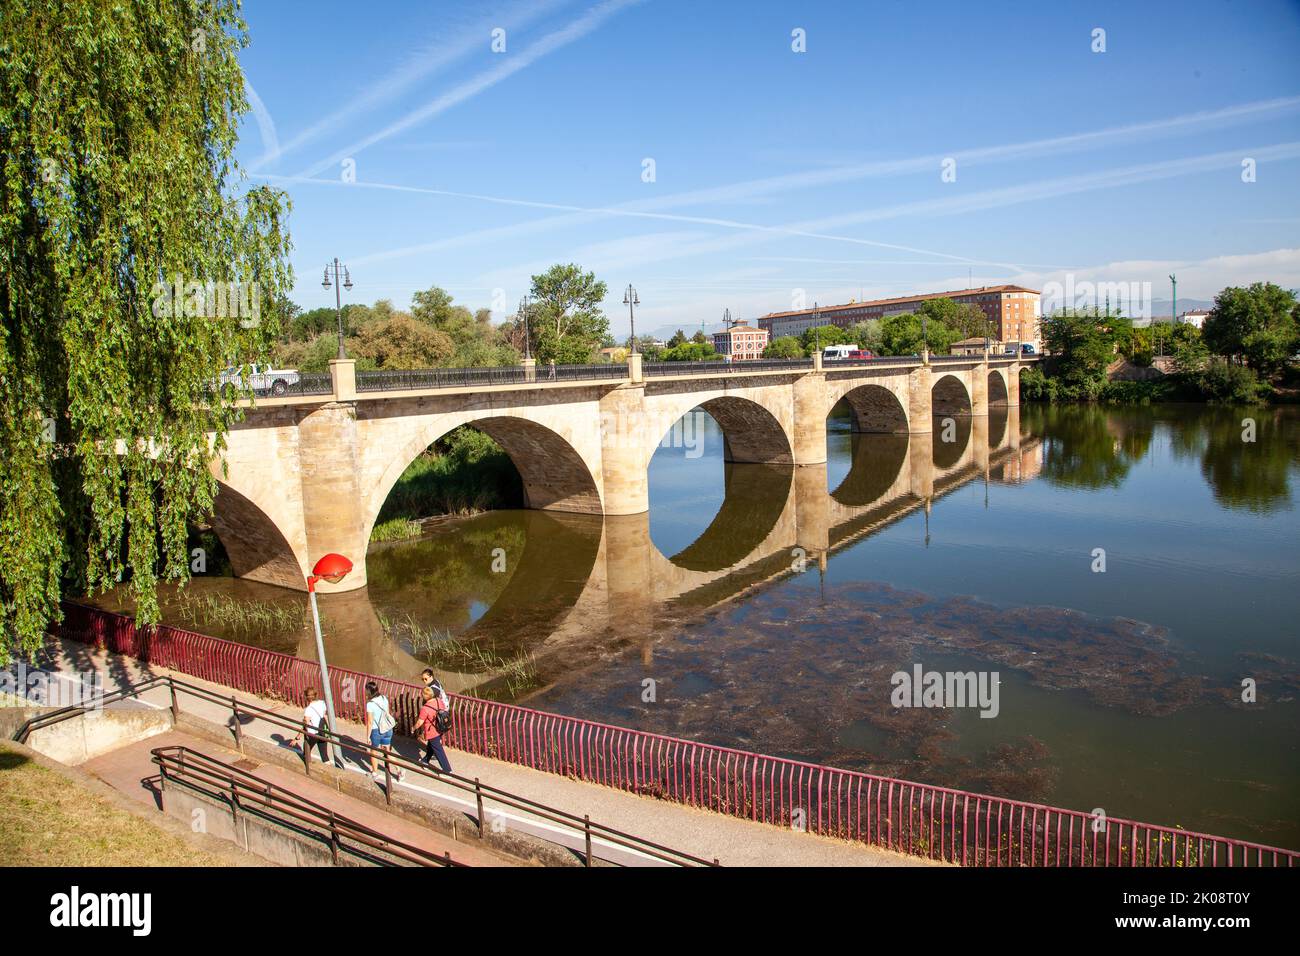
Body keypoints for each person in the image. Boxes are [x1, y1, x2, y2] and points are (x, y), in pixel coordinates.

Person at [364, 681, 402, 782]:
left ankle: (375, 772)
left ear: (368, 692)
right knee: (387, 751)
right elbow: (387, 713)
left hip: (376, 730)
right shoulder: (384, 698)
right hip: (387, 728)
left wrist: (367, 736)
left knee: (374, 752)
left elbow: (370, 722)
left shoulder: (370, 704)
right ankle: (399, 771)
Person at [413, 685, 452, 773]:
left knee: (438, 750)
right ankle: (425, 761)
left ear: (425, 697)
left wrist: (413, 728)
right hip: (440, 727)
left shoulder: (425, 708)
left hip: (432, 731)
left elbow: (419, 722)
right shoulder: (439, 701)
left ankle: (447, 770)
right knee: (431, 746)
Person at [287, 688, 329, 763]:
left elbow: (305, 725)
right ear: (315, 695)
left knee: (306, 752)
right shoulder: (322, 703)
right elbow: (324, 716)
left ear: (306, 697)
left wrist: (297, 738)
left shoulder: (308, 709)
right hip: (322, 731)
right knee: (324, 755)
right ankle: (330, 771)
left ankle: (308, 769)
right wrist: (328, 730)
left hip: (312, 734)